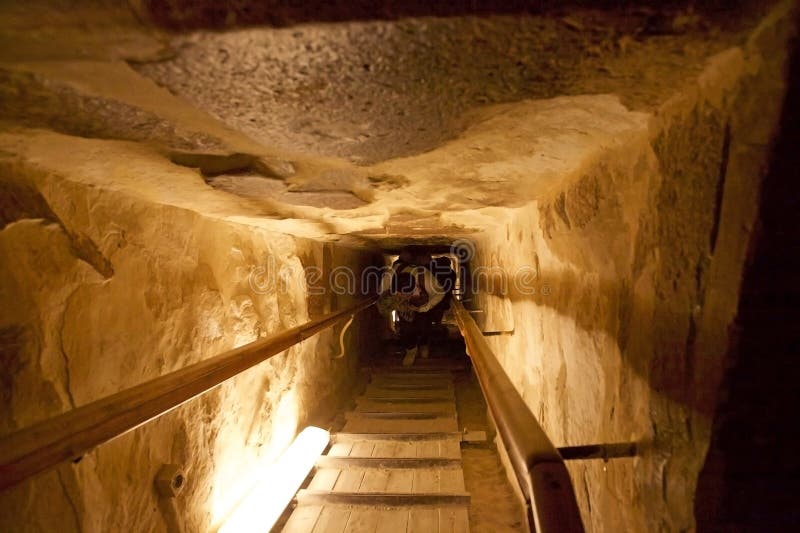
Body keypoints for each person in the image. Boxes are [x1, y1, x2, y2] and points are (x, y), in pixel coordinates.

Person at [377, 253, 445, 365]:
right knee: (406, 328)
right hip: (403, 306)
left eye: (408, 294)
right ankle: (411, 349)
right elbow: (382, 294)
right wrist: (394, 303)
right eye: (401, 294)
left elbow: (440, 293)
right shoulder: (392, 274)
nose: (406, 296)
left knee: (424, 325)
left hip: (423, 304)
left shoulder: (426, 278)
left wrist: (425, 307)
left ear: (416, 286)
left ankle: (423, 345)